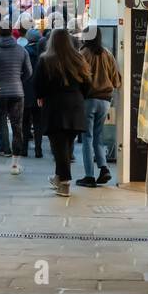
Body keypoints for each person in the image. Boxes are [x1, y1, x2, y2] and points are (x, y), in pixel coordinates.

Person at [33, 29, 91, 198]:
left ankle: (64, 183)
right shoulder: (78, 59)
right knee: (67, 144)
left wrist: (40, 97)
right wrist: (80, 97)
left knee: (59, 146)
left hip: (55, 107)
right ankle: (58, 178)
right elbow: (87, 83)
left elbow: (38, 84)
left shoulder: (45, 60)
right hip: (75, 106)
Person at [0, 24, 33, 174]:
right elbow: (29, 72)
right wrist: (18, 81)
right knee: (17, 128)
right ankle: (15, 166)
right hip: (16, 93)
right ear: (11, 33)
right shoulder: (21, 50)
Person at [76, 32, 121, 187]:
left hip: (88, 99)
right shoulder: (107, 54)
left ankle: (89, 176)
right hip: (106, 100)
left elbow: (77, 77)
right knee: (98, 136)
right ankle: (104, 168)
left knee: (87, 137)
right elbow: (117, 80)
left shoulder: (83, 54)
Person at [21, 29, 45, 158]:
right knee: (38, 122)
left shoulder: (23, 51)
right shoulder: (44, 53)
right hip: (39, 91)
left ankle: (24, 148)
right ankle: (38, 150)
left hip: (25, 90)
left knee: (24, 122)